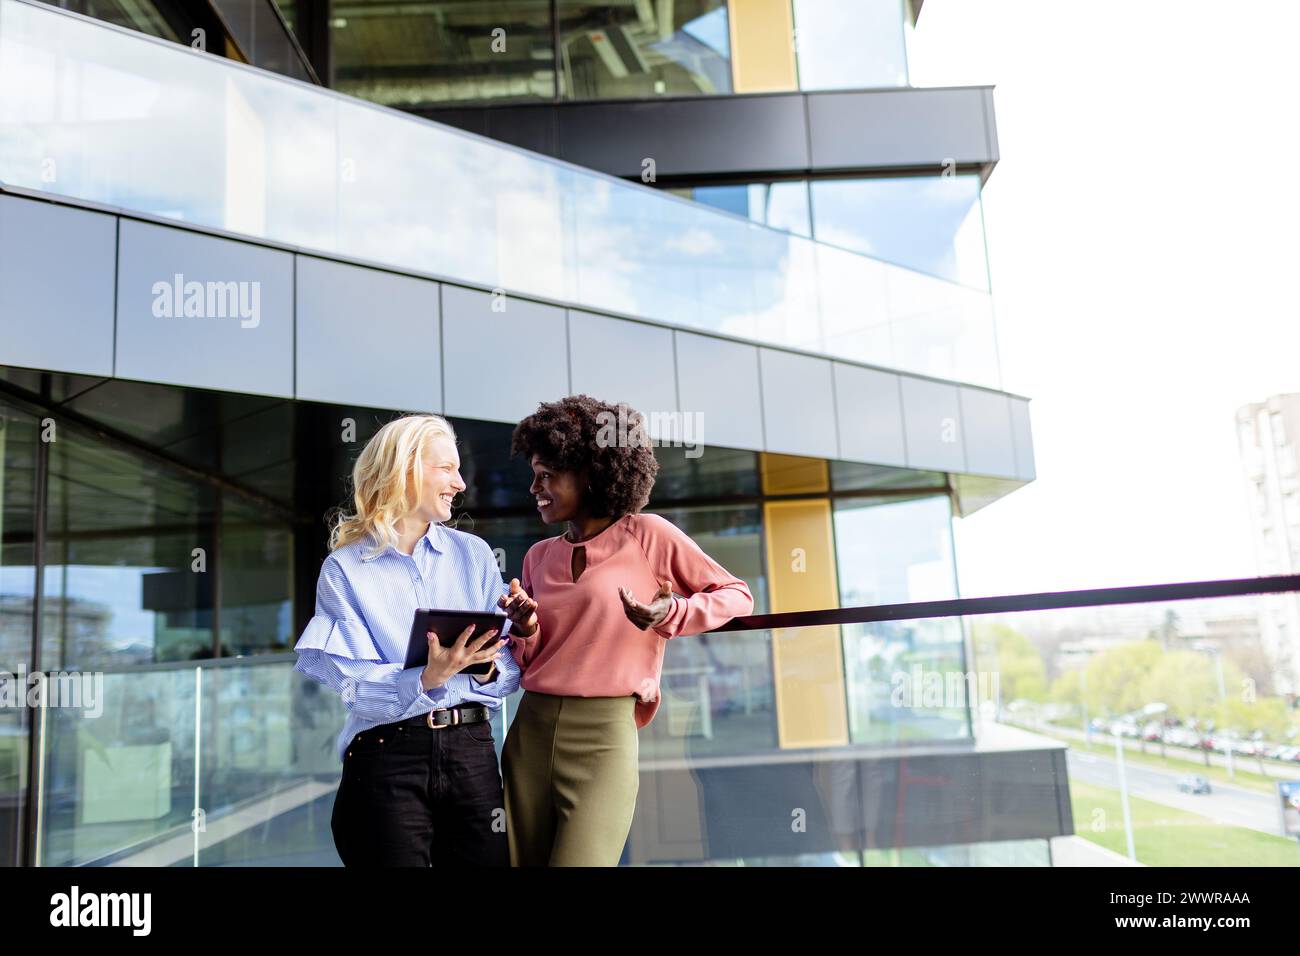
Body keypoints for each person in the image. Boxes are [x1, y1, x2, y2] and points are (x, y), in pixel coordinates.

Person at [502, 394, 754, 866]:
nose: (535, 487)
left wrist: (672, 614)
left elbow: (736, 594)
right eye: (533, 474)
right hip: (530, 730)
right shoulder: (539, 556)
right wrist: (527, 626)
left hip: (605, 736)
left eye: (547, 474)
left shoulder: (649, 535)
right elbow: (528, 658)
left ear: (591, 472)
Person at [293, 413, 539, 867]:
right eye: (446, 468)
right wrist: (428, 677)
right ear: (404, 468)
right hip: (387, 757)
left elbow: (507, 672)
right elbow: (355, 689)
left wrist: (484, 662)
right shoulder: (345, 569)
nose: (460, 484)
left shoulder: (474, 555)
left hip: (472, 753)